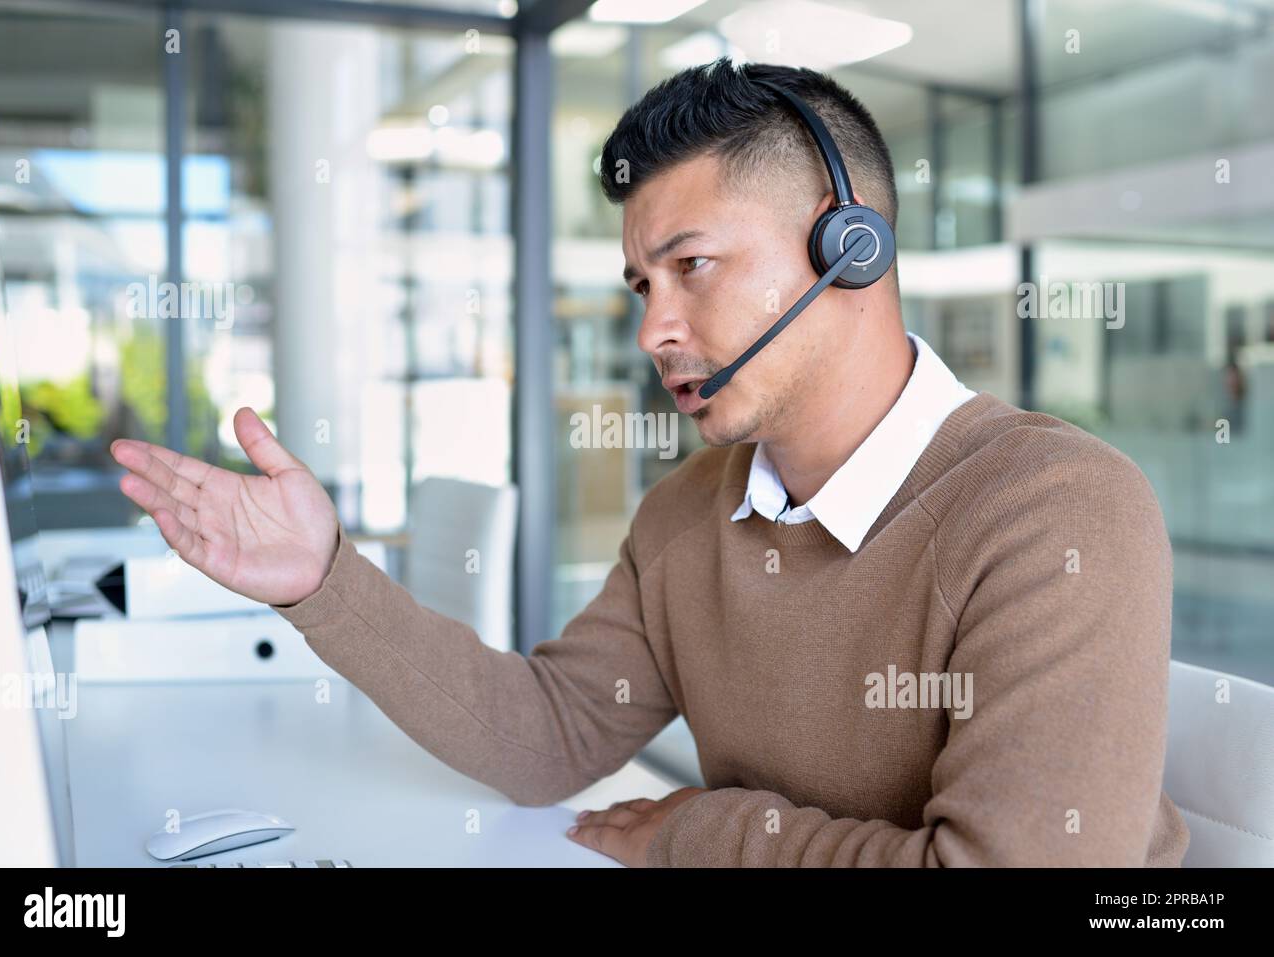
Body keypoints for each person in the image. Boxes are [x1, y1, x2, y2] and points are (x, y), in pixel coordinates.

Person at [111, 58, 1188, 867]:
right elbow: (550, 736)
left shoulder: (1055, 510)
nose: (653, 331)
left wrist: (703, 831)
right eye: (641, 285)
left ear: (844, 247)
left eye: (692, 268)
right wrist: (323, 581)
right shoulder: (688, 514)